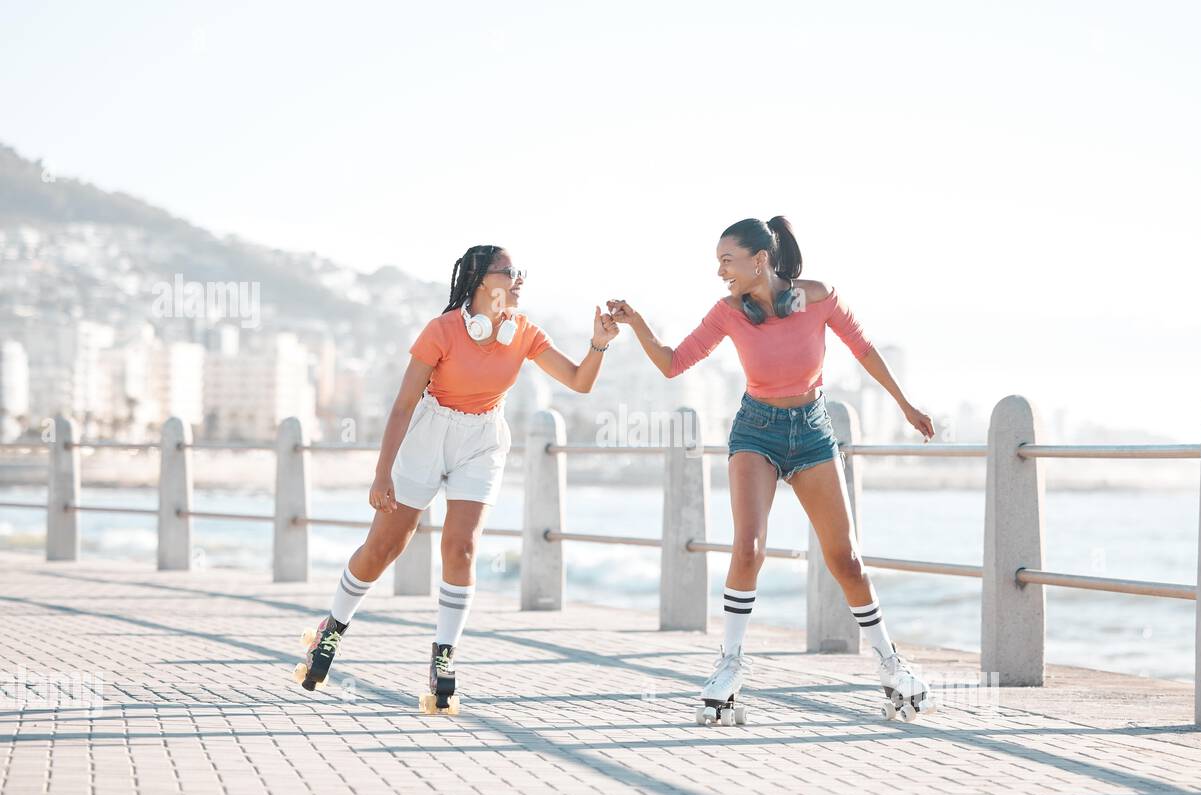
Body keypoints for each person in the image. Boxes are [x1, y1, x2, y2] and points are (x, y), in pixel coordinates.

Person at [608, 216, 936, 724]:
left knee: (845, 558)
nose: (720, 272)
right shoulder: (728, 312)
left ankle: (892, 668)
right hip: (755, 431)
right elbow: (673, 363)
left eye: (727, 260)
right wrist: (637, 323)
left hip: (812, 431)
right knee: (749, 547)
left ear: (760, 259)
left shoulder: (817, 297)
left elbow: (864, 350)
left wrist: (905, 406)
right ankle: (730, 665)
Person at [294, 244, 619, 715]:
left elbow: (579, 381)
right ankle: (332, 628)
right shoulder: (442, 330)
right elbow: (403, 404)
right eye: (507, 271)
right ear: (481, 280)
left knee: (461, 547)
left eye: (518, 271)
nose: (517, 278)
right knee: (385, 546)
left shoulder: (524, 332)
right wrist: (381, 474)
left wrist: (599, 343)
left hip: (483, 438)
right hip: (429, 431)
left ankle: (443, 657)